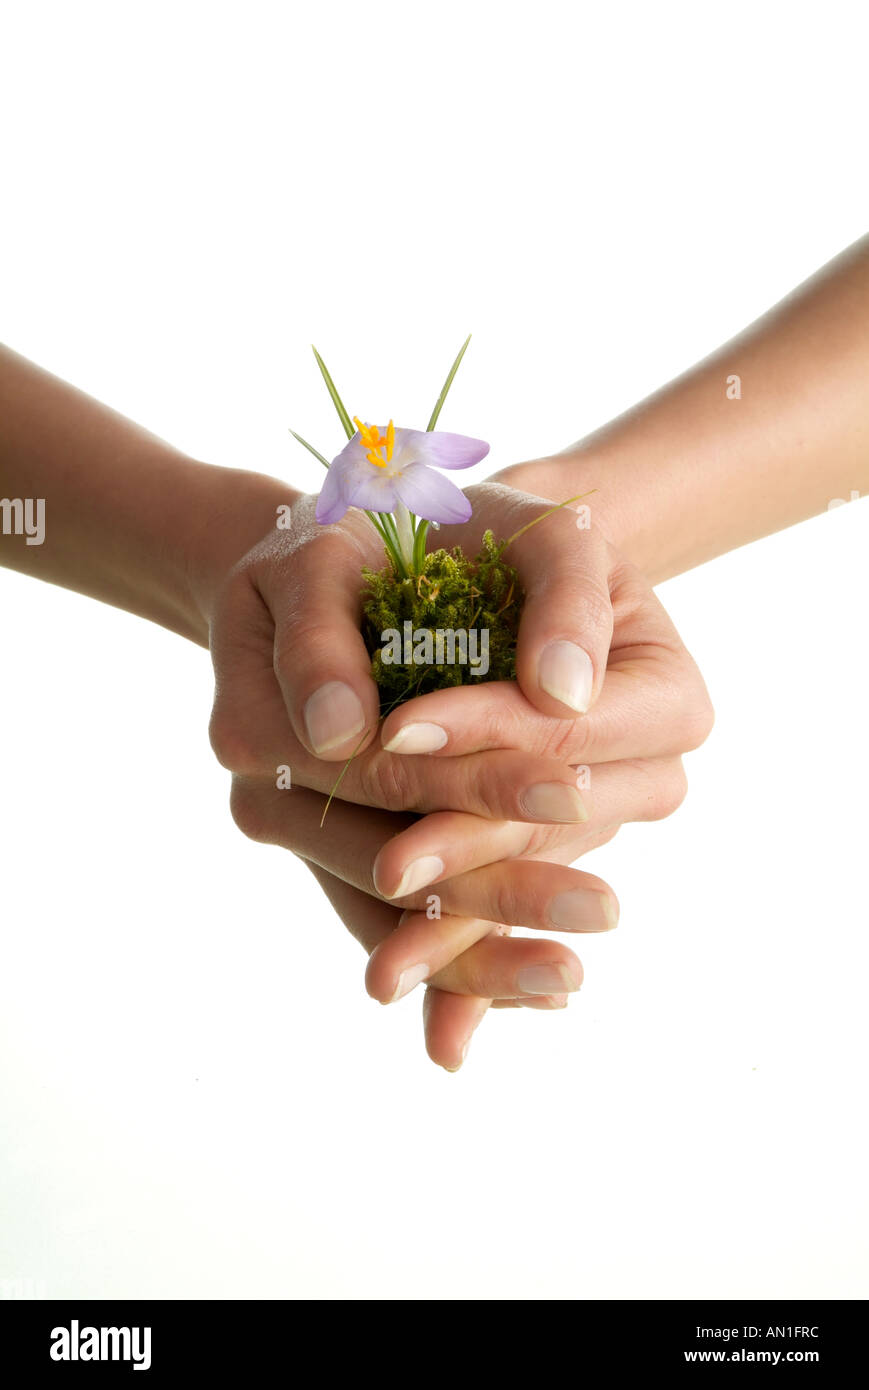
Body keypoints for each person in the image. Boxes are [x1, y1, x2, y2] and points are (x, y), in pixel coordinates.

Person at [2, 234, 867, 1070]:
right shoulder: (375, 482)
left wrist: (256, 567)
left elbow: (438, 511)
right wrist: (559, 543)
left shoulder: (396, 481)